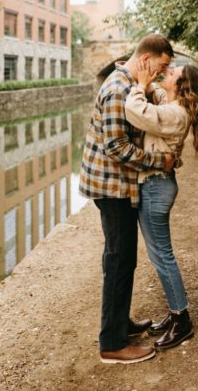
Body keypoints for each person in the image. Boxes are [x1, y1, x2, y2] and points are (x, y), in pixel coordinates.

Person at [78, 33, 176, 364]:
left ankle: (119, 323)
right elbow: (117, 148)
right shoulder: (117, 90)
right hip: (111, 186)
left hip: (118, 184)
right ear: (146, 59)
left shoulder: (130, 82)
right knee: (118, 260)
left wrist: (153, 87)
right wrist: (158, 161)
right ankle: (112, 344)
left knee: (124, 259)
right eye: (162, 66)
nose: (162, 73)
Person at [125, 64, 198, 350]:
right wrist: (150, 82)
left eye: (173, 71)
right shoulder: (174, 106)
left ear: (182, 83)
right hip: (156, 184)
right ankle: (175, 311)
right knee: (160, 256)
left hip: (155, 187)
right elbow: (159, 101)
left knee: (163, 257)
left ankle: (182, 320)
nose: (168, 70)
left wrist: (140, 86)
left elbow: (136, 111)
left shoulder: (175, 114)